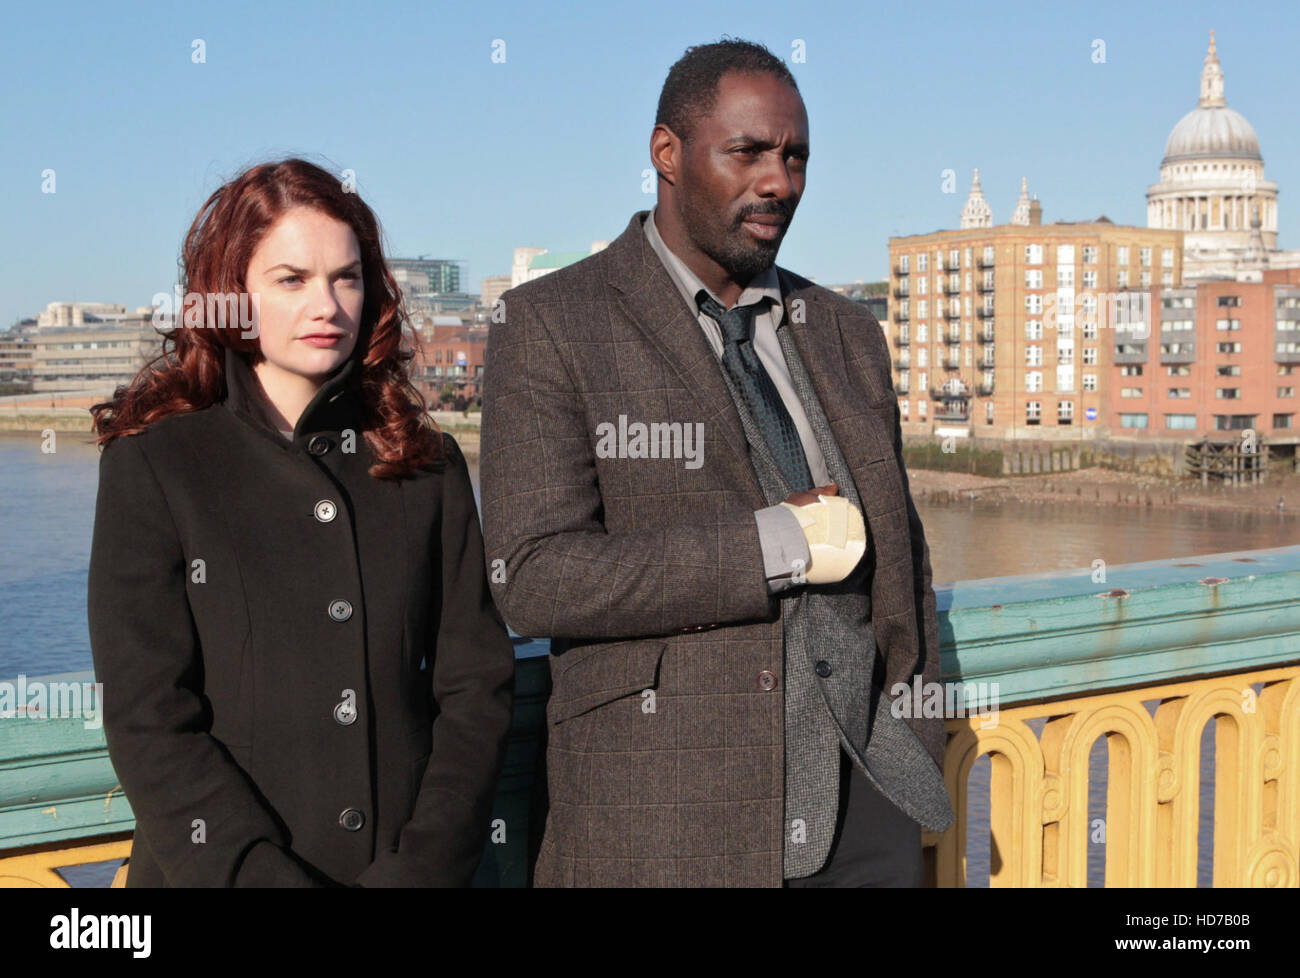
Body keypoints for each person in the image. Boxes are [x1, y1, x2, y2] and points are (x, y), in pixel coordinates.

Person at [480, 39, 953, 888]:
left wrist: (915, 739)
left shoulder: (847, 331)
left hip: (867, 813)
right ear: (667, 154)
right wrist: (773, 544)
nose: (779, 180)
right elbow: (536, 574)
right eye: (748, 152)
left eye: (795, 155)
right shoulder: (550, 322)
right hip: (668, 822)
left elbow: (906, 565)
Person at [87, 158, 515, 887]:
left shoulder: (425, 463)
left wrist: (423, 867)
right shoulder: (157, 463)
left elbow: (475, 686)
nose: (328, 305)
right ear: (233, 295)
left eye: (346, 277)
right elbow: (149, 717)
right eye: (292, 280)